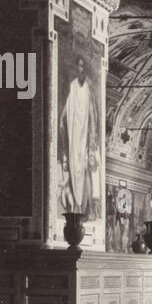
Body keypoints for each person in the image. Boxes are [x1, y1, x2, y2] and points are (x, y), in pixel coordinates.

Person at [58, 55, 99, 218]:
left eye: (82, 66)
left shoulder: (88, 88)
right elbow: (68, 106)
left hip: (84, 134)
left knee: (83, 168)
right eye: (78, 66)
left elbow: (92, 113)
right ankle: (75, 207)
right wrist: (62, 117)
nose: (80, 69)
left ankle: (82, 208)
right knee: (74, 165)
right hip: (74, 132)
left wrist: (93, 135)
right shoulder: (73, 86)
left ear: (85, 69)